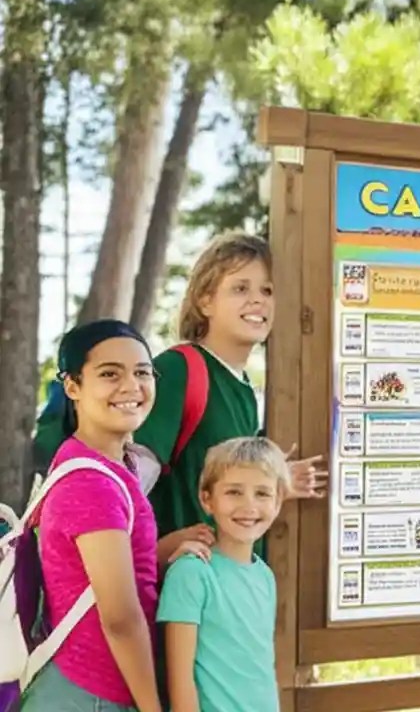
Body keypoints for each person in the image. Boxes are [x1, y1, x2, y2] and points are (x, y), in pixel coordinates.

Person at [131, 233, 325, 565]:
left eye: (268, 291)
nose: (258, 300)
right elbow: (128, 484)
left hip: (232, 588)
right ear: (205, 301)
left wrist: (278, 482)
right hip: (185, 592)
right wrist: (158, 552)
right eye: (240, 288)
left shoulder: (249, 390)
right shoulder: (178, 369)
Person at [19, 321, 164, 711]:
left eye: (142, 372)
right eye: (109, 374)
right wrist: (153, 706)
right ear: (72, 386)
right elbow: (119, 617)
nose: (131, 386)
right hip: (92, 694)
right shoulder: (90, 483)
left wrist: (173, 548)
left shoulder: (102, 464)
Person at [158, 437, 289, 712]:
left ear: (278, 503)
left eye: (262, 493)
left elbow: (261, 670)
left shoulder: (264, 576)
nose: (249, 506)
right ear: (207, 499)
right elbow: (180, 683)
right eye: (234, 492)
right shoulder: (191, 572)